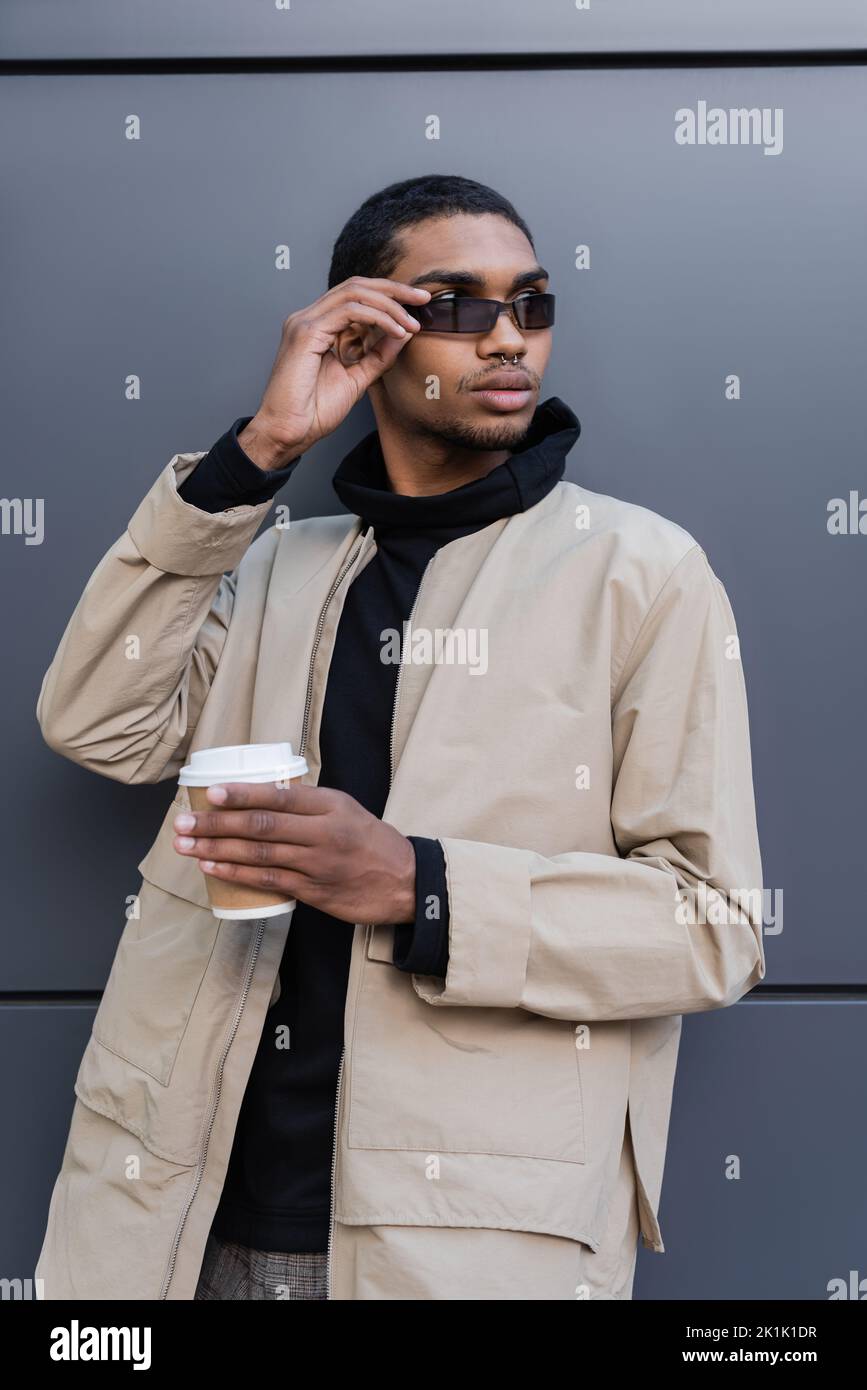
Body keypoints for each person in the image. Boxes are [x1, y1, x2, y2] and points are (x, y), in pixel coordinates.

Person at [34, 174, 765, 1301]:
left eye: (531, 303)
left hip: (465, 1246)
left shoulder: (642, 575)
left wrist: (419, 885)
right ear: (370, 325)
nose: (508, 335)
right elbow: (97, 719)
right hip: (181, 1218)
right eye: (459, 306)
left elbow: (714, 926)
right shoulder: (278, 562)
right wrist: (256, 457)